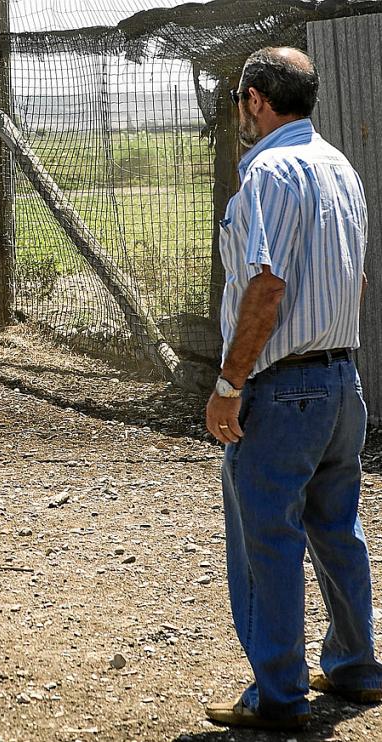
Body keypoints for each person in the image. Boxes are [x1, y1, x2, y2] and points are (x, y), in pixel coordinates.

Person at [204, 46, 382, 731]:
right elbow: (354, 280)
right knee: (338, 530)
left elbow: (266, 285)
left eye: (240, 102)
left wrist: (228, 383)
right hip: (343, 382)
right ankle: (356, 667)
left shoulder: (271, 172)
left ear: (255, 98)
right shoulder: (340, 168)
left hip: (283, 391)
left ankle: (278, 696)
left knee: (266, 540)